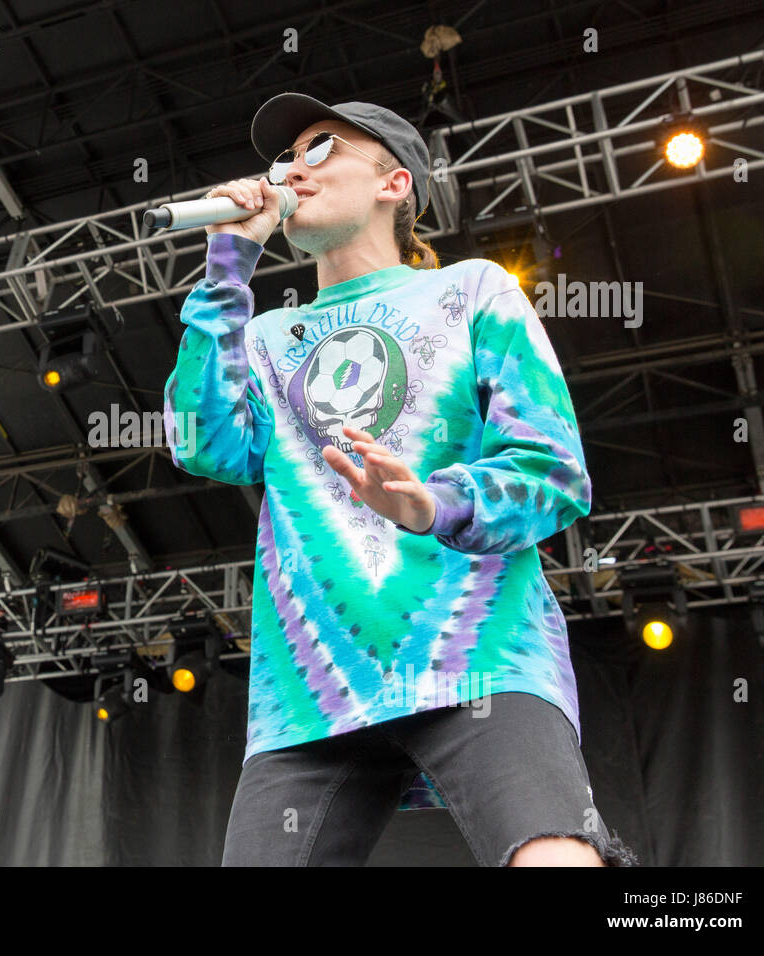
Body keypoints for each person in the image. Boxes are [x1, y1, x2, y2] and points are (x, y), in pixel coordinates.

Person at [162, 93, 637, 867]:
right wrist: (227, 264)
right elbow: (197, 441)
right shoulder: (268, 337)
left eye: (321, 148)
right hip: (309, 697)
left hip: (479, 654)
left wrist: (432, 502)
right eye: (284, 159)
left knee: (553, 856)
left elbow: (554, 472)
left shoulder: (473, 290)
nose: (291, 169)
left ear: (394, 184)